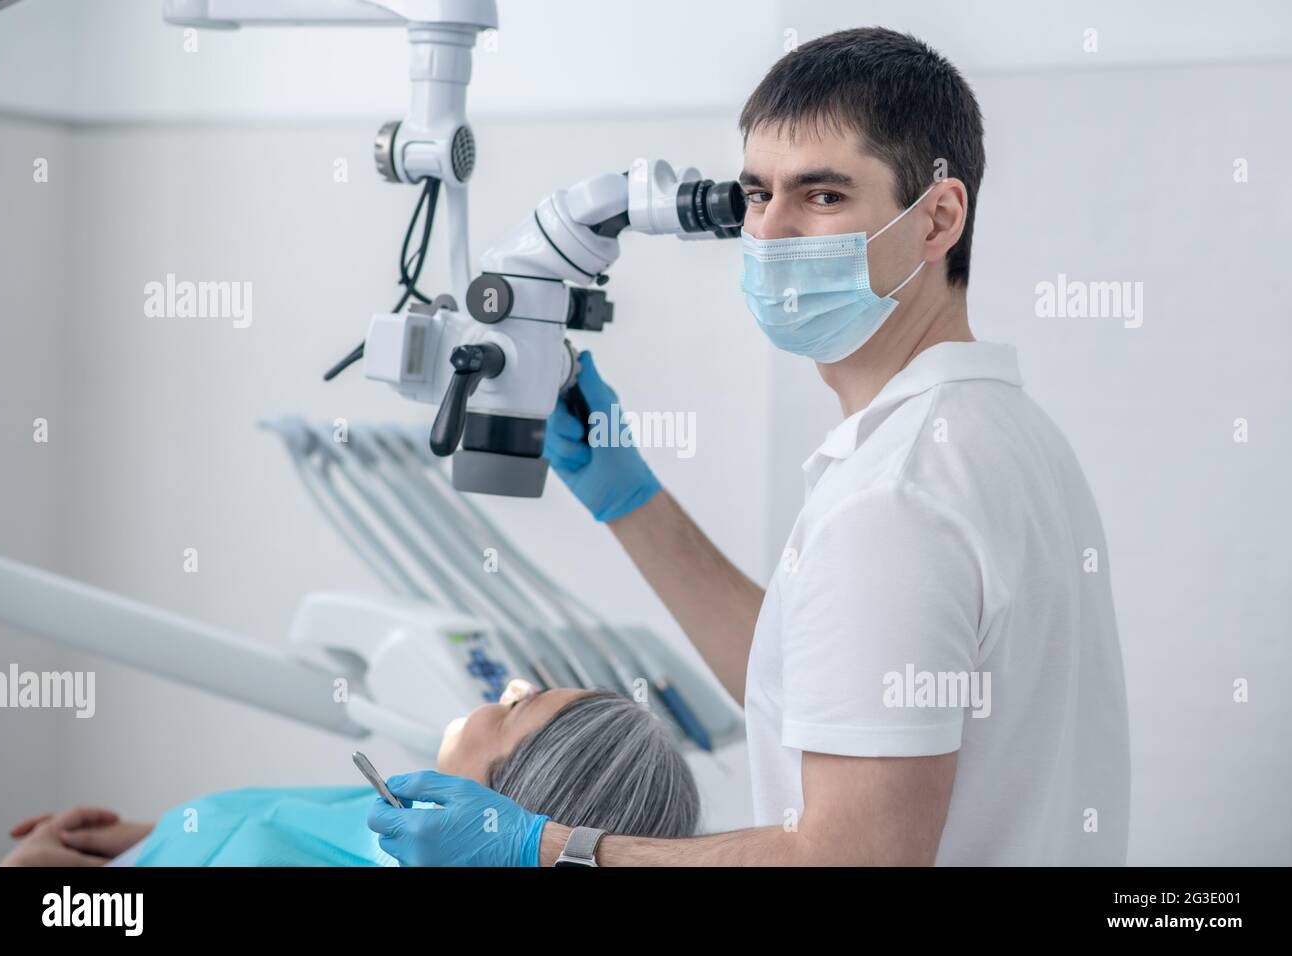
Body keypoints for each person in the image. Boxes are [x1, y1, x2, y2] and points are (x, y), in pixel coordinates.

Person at [368, 27, 1131, 867]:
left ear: (937, 219)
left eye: (824, 196)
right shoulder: (1005, 433)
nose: (769, 232)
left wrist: (547, 848)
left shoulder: (895, 499)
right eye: (756, 194)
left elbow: (845, 859)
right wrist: (629, 499)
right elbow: (823, 698)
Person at [0, 681, 698, 866]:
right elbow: (273, 830)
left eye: (520, 706)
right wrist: (160, 837)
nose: (501, 695)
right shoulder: (400, 818)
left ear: (498, 796)